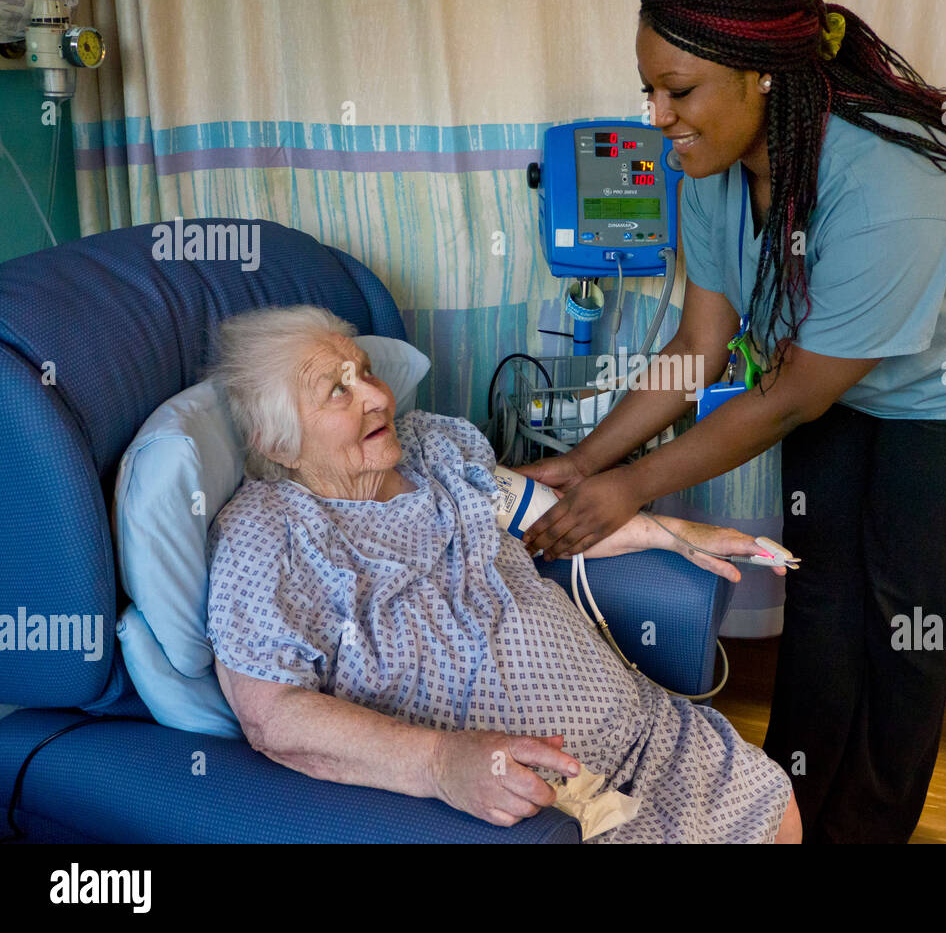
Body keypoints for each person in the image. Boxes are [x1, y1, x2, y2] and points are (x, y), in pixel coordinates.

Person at [519, 0, 946, 843]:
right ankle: (788, 809)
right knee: (815, 584)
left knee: (901, 608)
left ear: (762, 79)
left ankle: (873, 825)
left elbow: (788, 399)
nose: (659, 116)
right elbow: (701, 341)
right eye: (647, 90)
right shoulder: (705, 161)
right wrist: (586, 458)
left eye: (680, 90)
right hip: (835, 371)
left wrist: (626, 487)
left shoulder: (892, 184)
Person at [204, 304, 800, 843]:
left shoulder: (430, 447)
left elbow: (552, 520)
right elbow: (272, 714)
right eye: (337, 390)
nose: (376, 397)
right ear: (277, 443)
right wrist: (440, 763)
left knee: (779, 815)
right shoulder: (268, 530)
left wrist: (676, 534)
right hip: (553, 809)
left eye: (365, 371)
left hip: (647, 736)